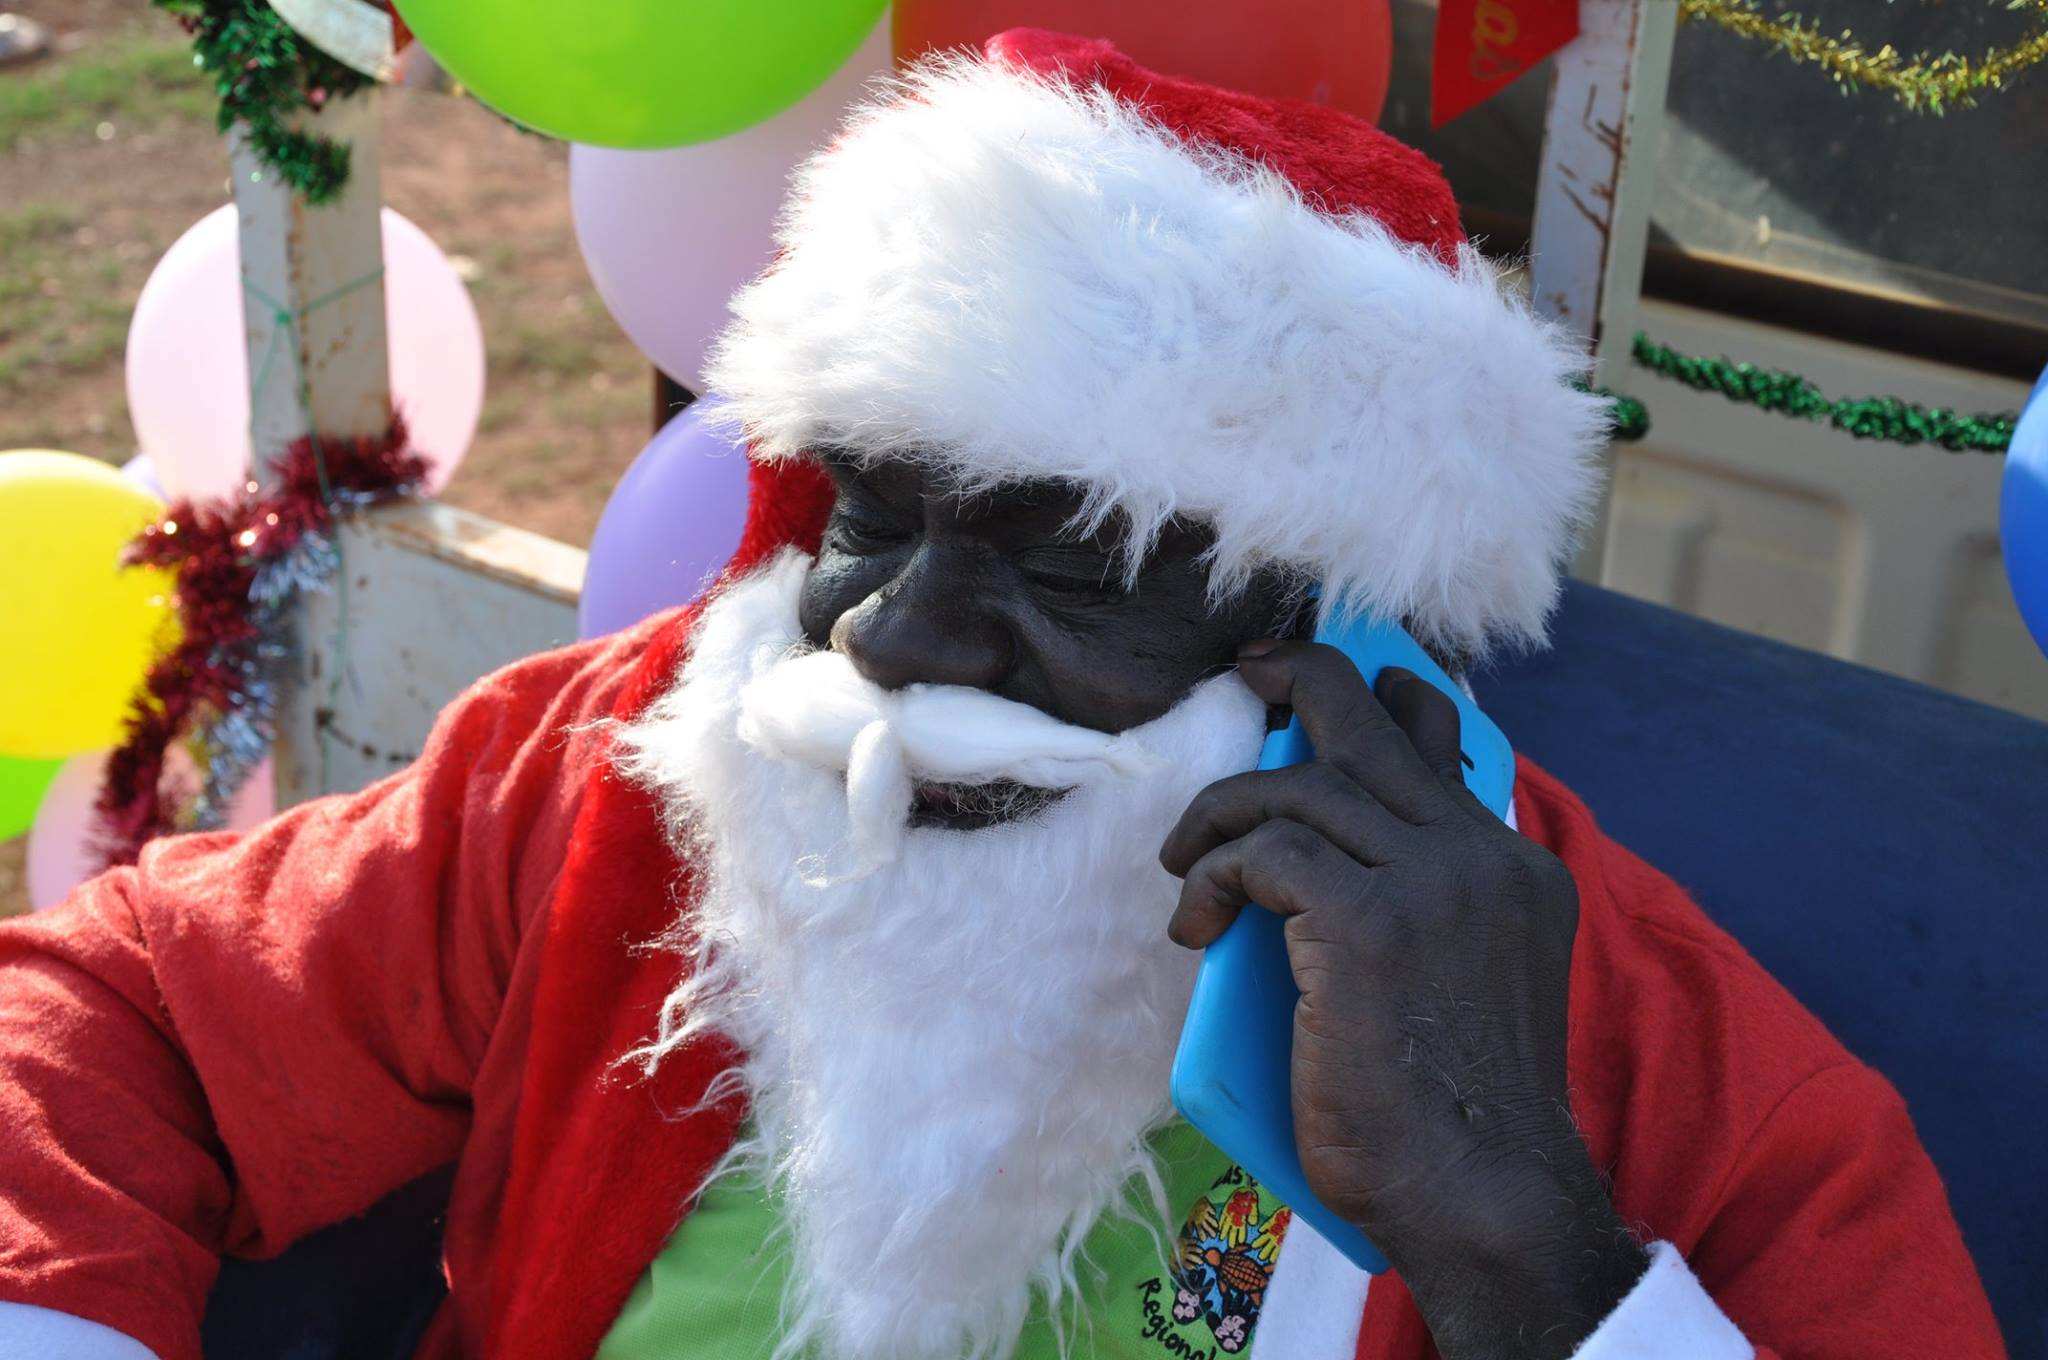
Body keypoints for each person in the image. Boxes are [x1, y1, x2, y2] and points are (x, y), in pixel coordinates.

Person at [0, 28, 2003, 1360]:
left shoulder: (1586, 1007)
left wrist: (1521, 1235)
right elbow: (113, 1011)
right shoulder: (635, 756)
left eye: (1071, 561)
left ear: (1329, 628)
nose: (906, 644)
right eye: (879, 513)